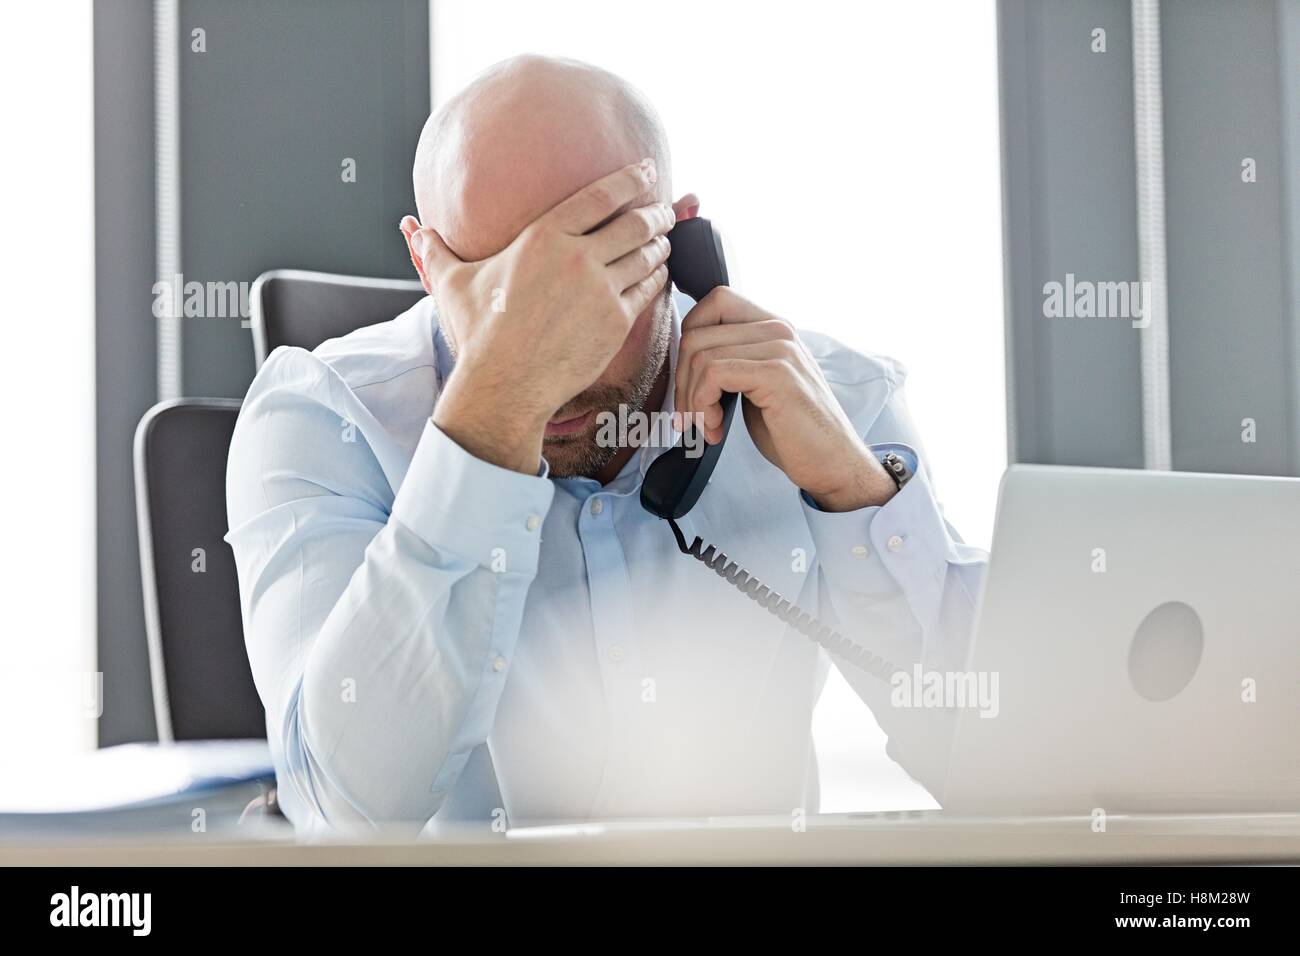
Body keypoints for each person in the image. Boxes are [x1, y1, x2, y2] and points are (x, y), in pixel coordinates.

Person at [226, 54, 987, 833]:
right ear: (427, 263)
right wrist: (491, 413)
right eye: (497, 292)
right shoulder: (325, 418)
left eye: (596, 280)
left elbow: (1016, 766)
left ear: (678, 244)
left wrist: (854, 495)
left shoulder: (837, 397)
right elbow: (342, 818)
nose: (551, 350)